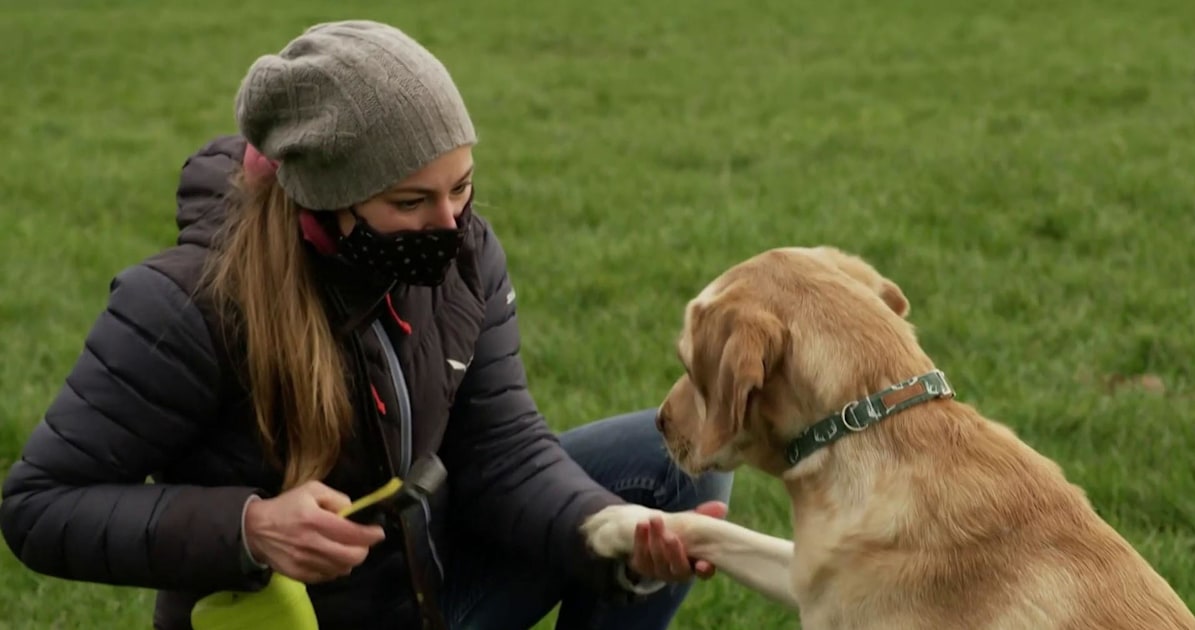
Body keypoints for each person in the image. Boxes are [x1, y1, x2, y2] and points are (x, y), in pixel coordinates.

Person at [0, 19, 733, 630]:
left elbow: (503, 451)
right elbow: (38, 506)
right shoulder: (183, 307)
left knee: (661, 465)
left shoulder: (464, 252)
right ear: (324, 201)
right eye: (411, 203)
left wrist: (612, 534)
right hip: (297, 620)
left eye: (462, 186)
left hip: (431, 593)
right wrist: (249, 528)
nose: (450, 224)